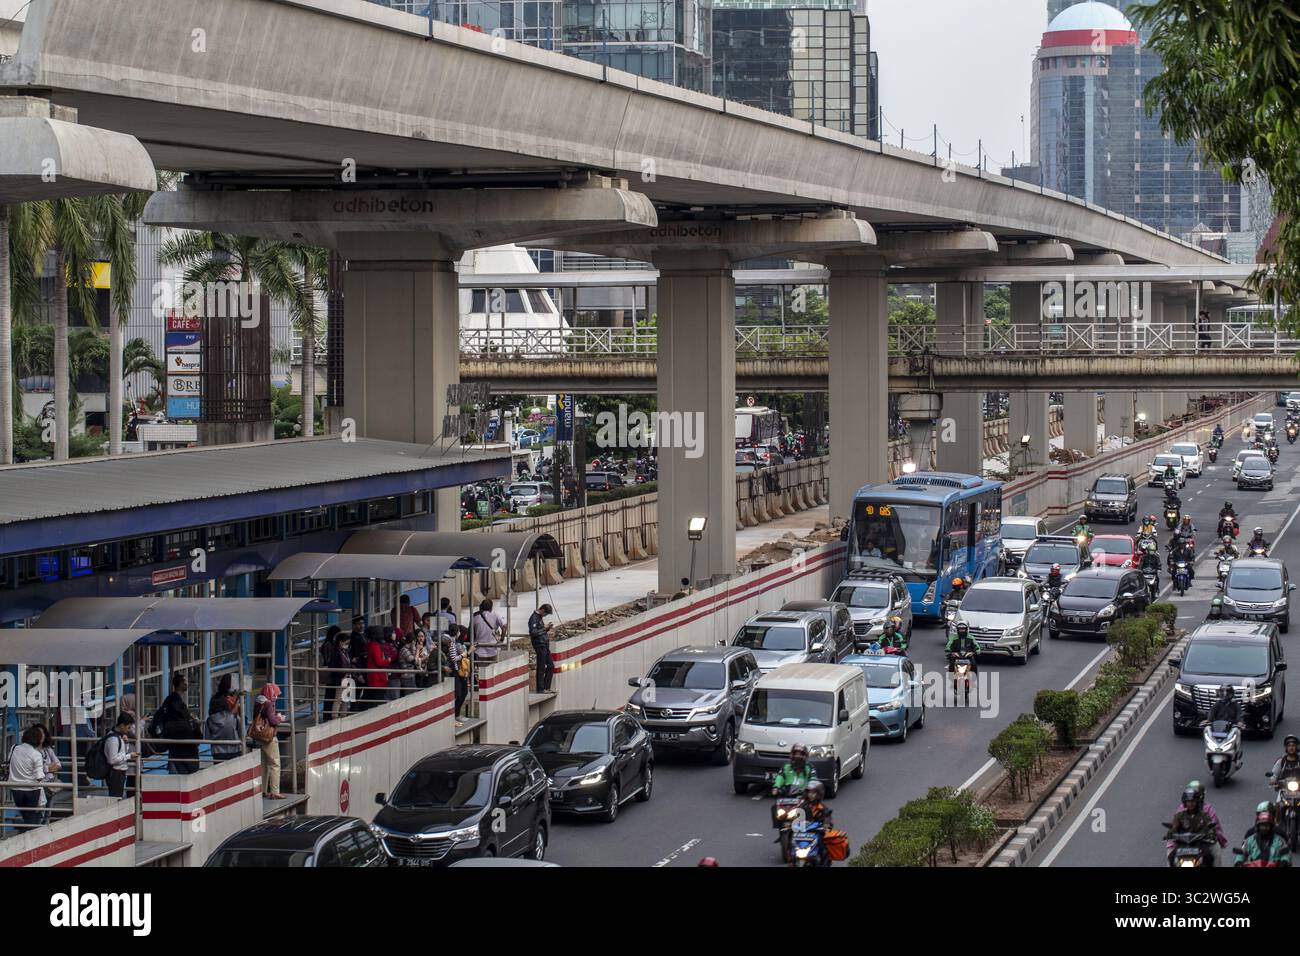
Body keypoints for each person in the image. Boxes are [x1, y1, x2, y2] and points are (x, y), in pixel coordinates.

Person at [1166, 783, 1221, 866]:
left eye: (1193, 801)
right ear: (1185, 802)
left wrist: (1210, 833)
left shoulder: (1204, 815)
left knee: (1209, 857)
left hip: (1200, 844)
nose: (1190, 804)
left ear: (1197, 802)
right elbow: (1174, 826)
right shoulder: (1179, 815)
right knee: (1171, 857)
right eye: (1188, 801)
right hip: (1183, 845)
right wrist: (1170, 833)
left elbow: (1210, 826)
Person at [158, 673, 201, 775]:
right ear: (181, 683)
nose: (187, 684)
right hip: (185, 751)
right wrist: (194, 723)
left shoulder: (171, 700)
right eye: (185, 681)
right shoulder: (176, 703)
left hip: (175, 750)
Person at [6, 725, 48, 827]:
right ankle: (30, 836)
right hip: (32, 791)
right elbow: (39, 776)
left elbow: (9, 763)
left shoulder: (14, 748)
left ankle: (27, 831)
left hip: (15, 789)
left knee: (26, 815)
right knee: (32, 817)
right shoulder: (36, 754)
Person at [253, 683, 285, 799]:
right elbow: (273, 721)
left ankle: (262, 790)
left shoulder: (258, 702)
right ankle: (275, 792)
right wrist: (279, 718)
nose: (276, 697)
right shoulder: (268, 704)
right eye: (275, 694)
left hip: (259, 736)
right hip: (268, 738)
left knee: (264, 765)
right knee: (274, 764)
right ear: (270, 693)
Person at [103, 712, 137, 799]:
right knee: (116, 798)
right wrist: (129, 756)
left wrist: (126, 743)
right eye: (128, 727)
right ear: (122, 725)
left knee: (117, 797)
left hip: (119, 772)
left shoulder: (118, 736)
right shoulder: (113, 739)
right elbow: (112, 760)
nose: (128, 730)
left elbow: (121, 752)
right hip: (115, 772)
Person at [205, 688, 242, 763]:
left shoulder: (209, 720)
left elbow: (207, 738)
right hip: (234, 751)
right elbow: (241, 734)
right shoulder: (234, 717)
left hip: (217, 753)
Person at [364, 624, 396, 708]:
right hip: (377, 678)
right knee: (377, 700)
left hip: (375, 677)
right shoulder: (375, 646)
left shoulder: (372, 645)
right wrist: (388, 660)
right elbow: (379, 662)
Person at [448, 624, 473, 727]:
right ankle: (455, 714)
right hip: (458, 671)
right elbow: (455, 658)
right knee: (459, 693)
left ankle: (456, 714)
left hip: (460, 671)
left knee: (461, 692)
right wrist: (468, 653)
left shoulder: (454, 643)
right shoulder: (455, 644)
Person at [529, 603, 557, 693]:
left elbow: (539, 630)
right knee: (541, 666)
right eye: (546, 614)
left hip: (544, 644)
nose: (546, 616)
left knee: (550, 666)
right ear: (542, 610)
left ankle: (546, 687)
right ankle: (541, 688)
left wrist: (547, 628)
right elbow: (533, 632)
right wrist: (544, 629)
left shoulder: (539, 618)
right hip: (539, 645)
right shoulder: (534, 618)